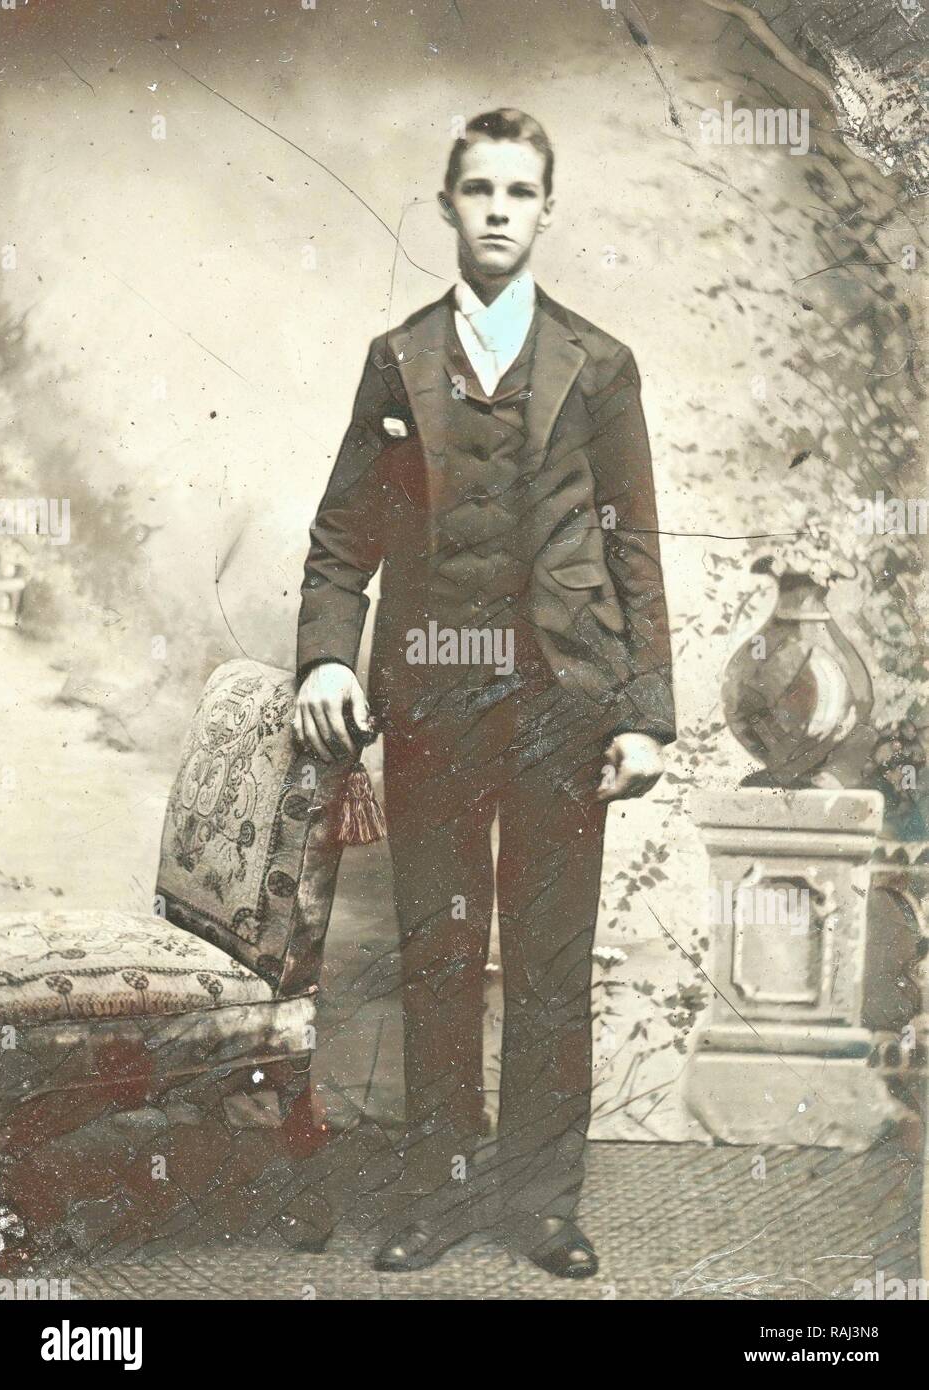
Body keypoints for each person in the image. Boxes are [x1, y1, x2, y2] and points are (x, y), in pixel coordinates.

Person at [294, 109, 675, 1277]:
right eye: (477, 189)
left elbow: (634, 547)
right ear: (448, 205)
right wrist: (324, 655)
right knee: (441, 952)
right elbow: (339, 539)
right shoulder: (397, 360)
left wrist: (644, 713)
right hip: (434, 704)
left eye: (519, 191)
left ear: (546, 210)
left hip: (563, 700)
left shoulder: (599, 364)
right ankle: (444, 1193)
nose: (498, 209)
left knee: (552, 964)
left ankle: (542, 1204)